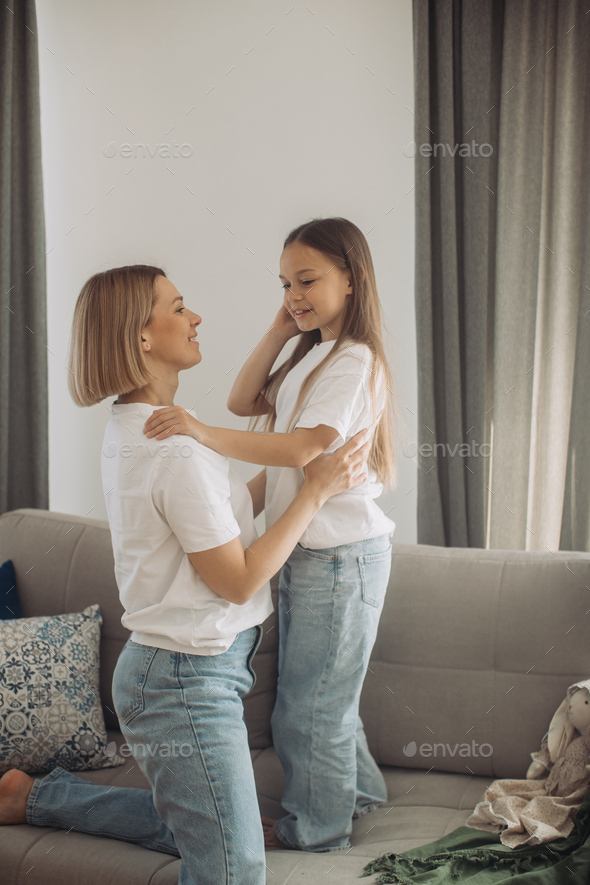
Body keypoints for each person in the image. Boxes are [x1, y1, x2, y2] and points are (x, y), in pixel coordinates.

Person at [0, 264, 370, 885]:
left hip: (185, 672)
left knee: (206, 827)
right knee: (234, 870)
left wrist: (297, 473)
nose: (195, 318)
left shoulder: (141, 427)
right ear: (142, 337)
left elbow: (224, 514)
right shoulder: (172, 450)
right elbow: (238, 580)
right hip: (181, 683)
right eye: (178, 307)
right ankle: (38, 798)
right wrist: (316, 488)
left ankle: (32, 797)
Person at [141, 218, 397, 852]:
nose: (294, 294)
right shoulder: (316, 353)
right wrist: (284, 328)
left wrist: (198, 434)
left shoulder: (354, 360)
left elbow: (304, 448)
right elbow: (242, 398)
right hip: (314, 556)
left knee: (311, 709)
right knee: (320, 698)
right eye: (285, 283)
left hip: (340, 560)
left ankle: (320, 833)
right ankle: (359, 798)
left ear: (352, 278)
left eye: (307, 280)